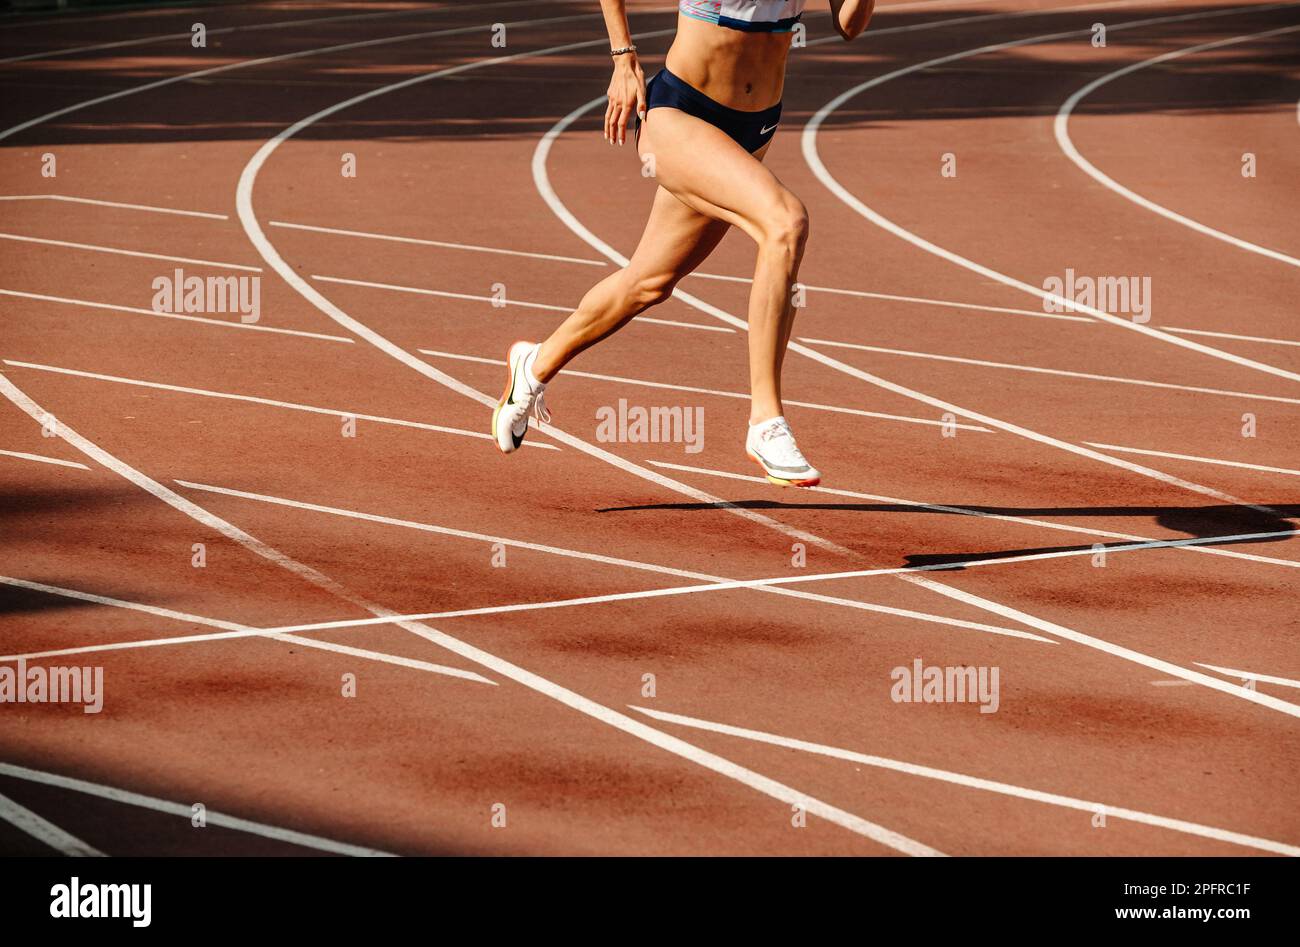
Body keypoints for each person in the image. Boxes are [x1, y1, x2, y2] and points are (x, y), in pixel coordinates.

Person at [492, 0, 873, 487]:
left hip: (754, 126)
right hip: (681, 111)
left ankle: (534, 364)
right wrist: (623, 58)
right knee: (785, 223)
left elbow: (848, 25)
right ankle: (766, 421)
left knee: (649, 282)